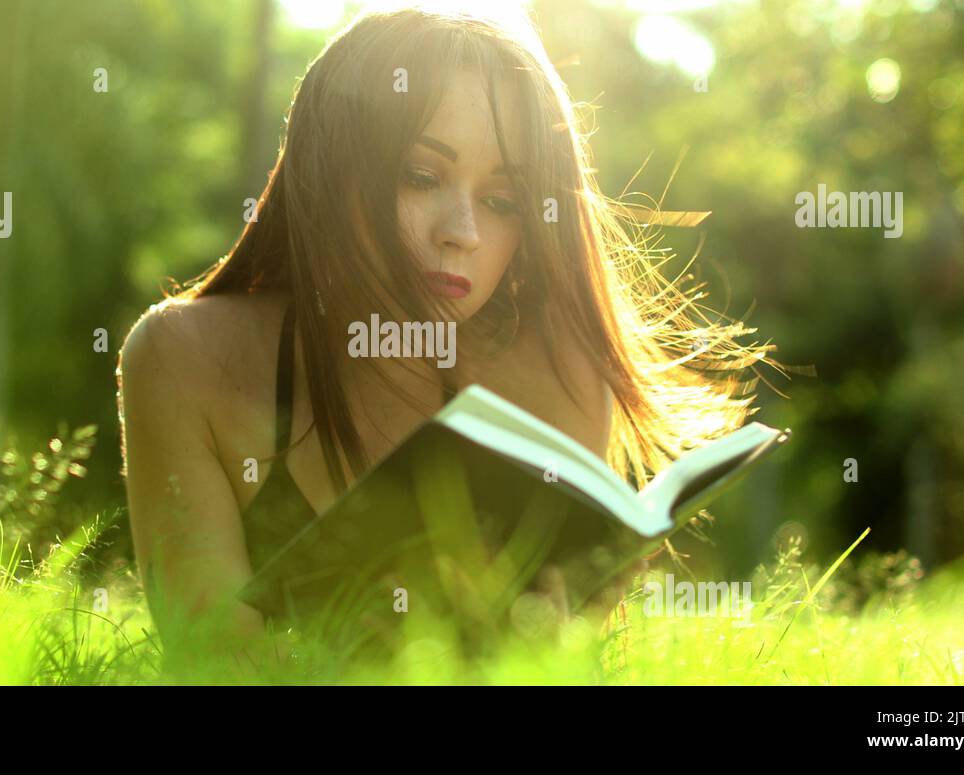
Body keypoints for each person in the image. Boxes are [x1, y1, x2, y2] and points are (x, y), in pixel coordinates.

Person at [117, 2, 773, 670]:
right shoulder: (185, 360)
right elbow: (212, 663)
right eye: (421, 177)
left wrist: (555, 635)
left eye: (502, 201)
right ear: (328, 171)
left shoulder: (554, 366)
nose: (462, 231)